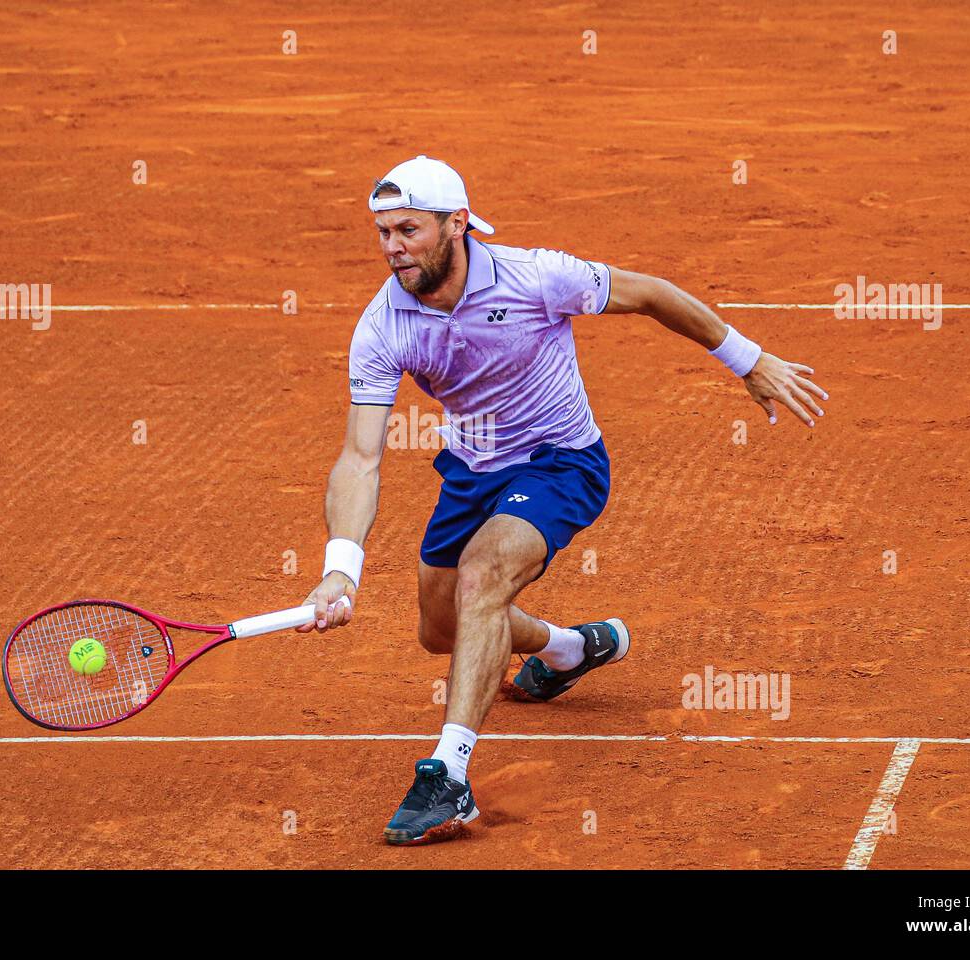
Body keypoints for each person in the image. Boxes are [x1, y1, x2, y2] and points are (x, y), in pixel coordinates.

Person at [297, 155, 827, 845]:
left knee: (483, 576)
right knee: (441, 630)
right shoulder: (383, 325)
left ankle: (447, 777)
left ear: (456, 224)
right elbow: (360, 458)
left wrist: (749, 360)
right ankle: (570, 650)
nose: (392, 248)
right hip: (471, 470)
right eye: (383, 232)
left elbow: (651, 293)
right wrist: (342, 564)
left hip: (560, 463)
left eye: (408, 230)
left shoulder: (535, 276)